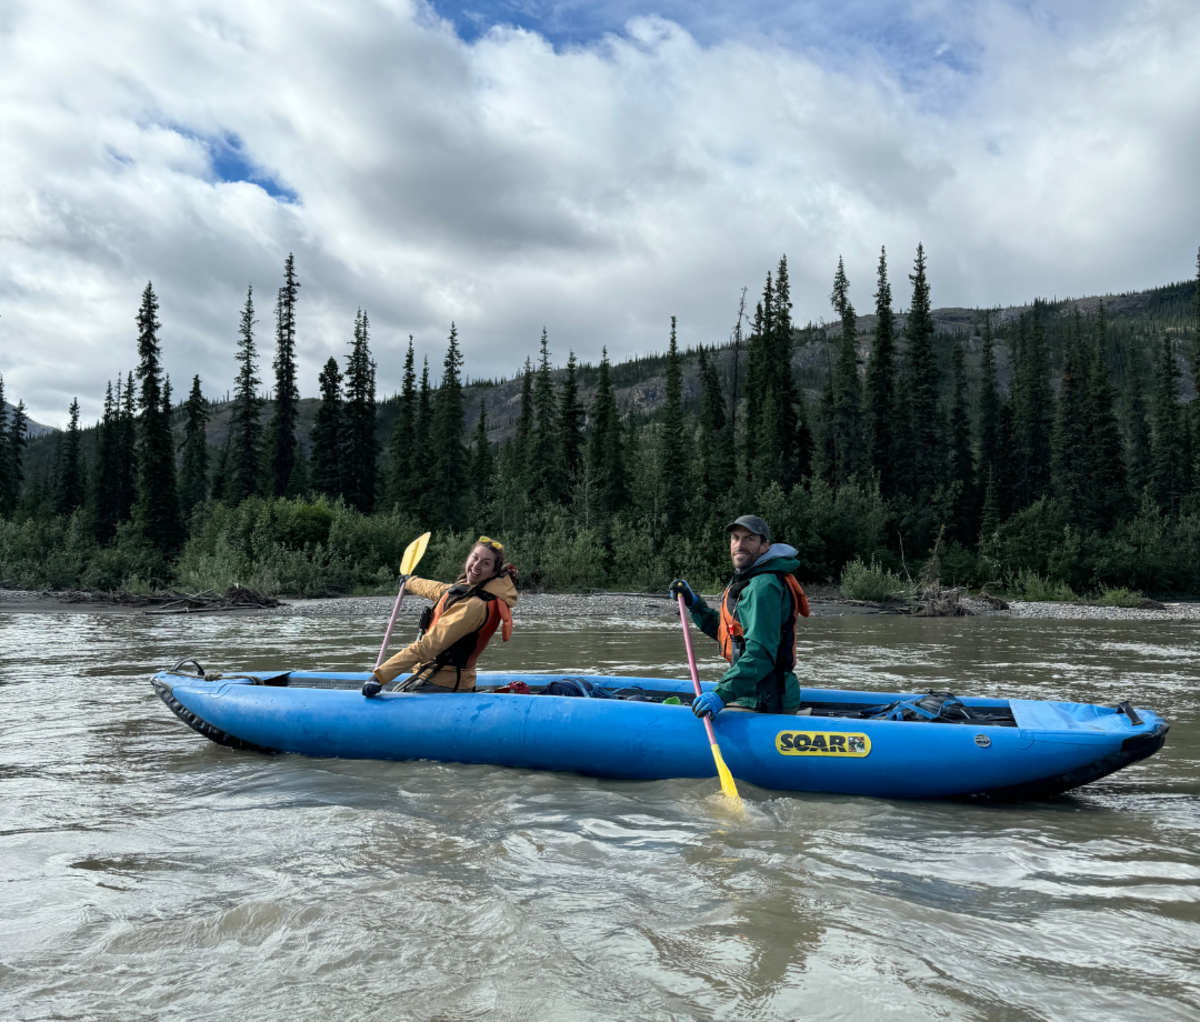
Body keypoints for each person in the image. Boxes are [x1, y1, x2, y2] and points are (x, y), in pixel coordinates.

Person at [670, 515, 810, 718]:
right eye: (735, 538)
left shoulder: (763, 587)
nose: (740, 544)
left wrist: (720, 694)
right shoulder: (750, 580)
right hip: (753, 695)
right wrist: (695, 605)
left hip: (764, 701)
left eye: (749, 539)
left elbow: (761, 653)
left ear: (764, 546)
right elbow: (729, 633)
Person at [362, 537, 518, 697]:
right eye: (475, 557)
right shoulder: (471, 588)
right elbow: (440, 590)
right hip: (444, 677)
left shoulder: (474, 606)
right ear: (469, 557)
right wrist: (410, 582)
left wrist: (380, 676)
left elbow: (428, 646)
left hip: (440, 683)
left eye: (485, 563)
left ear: (493, 572)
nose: (476, 565)